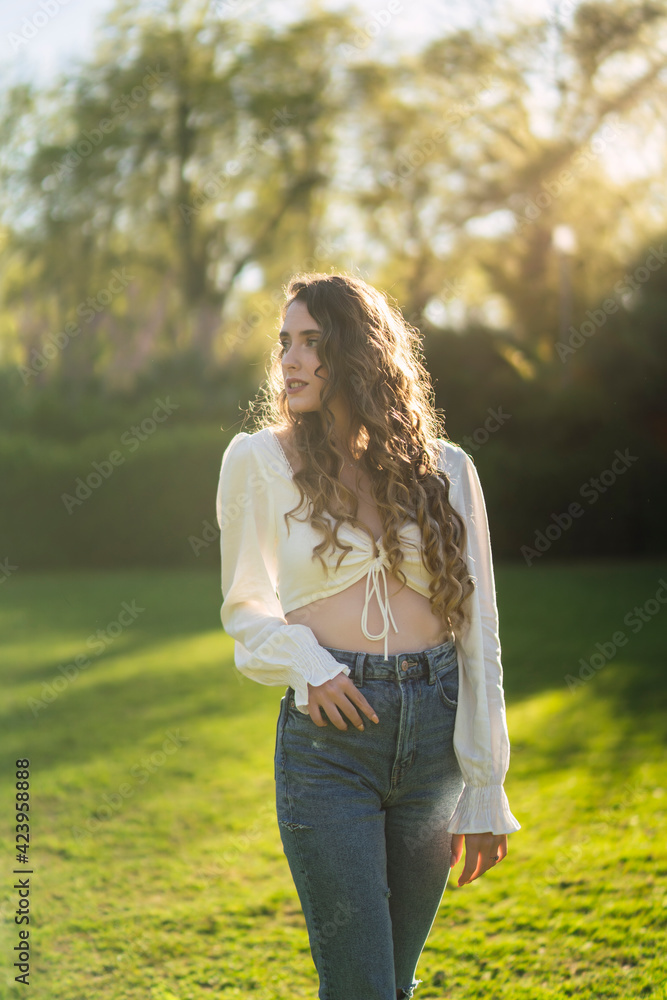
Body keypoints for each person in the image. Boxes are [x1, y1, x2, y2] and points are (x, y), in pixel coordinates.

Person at [216, 272, 521, 1000]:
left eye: (311, 343)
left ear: (358, 353)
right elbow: (244, 607)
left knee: (392, 981)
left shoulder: (447, 469)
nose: (288, 360)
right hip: (330, 746)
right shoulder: (257, 461)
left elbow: (479, 631)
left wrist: (485, 786)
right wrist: (308, 667)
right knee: (361, 986)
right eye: (283, 342)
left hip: (433, 743)